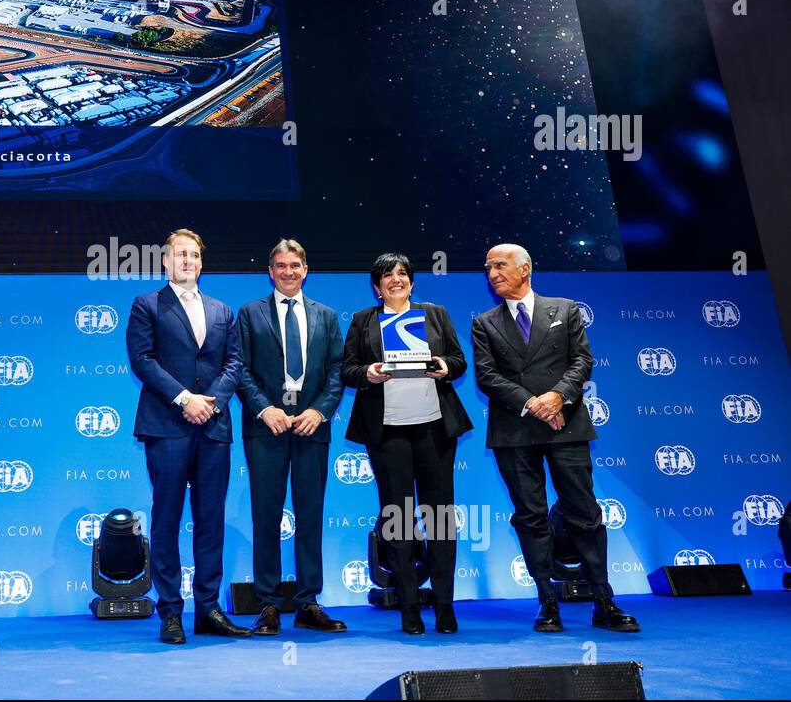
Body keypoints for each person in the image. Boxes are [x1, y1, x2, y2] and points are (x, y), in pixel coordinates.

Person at [471, 243, 639, 633]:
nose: (492, 273)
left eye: (499, 265)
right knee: (530, 517)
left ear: (525, 268)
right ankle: (547, 603)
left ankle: (604, 600)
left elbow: (582, 360)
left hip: (567, 425)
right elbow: (487, 375)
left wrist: (558, 396)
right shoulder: (484, 322)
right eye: (488, 267)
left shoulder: (564, 309)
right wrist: (533, 403)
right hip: (514, 430)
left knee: (583, 513)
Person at [125, 229, 249, 644]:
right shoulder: (147, 305)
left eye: (195, 255)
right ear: (165, 261)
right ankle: (171, 612)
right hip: (167, 425)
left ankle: (209, 609)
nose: (188, 261)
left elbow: (234, 362)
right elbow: (142, 361)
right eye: (181, 255)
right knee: (166, 518)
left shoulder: (221, 310)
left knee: (211, 519)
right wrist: (184, 399)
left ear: (202, 261)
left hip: (213, 426)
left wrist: (209, 401)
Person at [341, 253, 473, 634]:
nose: (395, 280)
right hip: (388, 432)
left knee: (440, 518)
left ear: (412, 282)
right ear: (376, 285)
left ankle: (445, 606)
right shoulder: (363, 321)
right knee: (397, 521)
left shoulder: (435, 314)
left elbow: (458, 360)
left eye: (402, 274)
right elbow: (348, 369)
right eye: (387, 275)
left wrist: (445, 366)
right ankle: (409, 606)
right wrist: (369, 372)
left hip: (434, 428)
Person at [235, 239, 347, 636]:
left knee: (311, 515)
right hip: (266, 427)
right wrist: (266, 409)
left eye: (294, 265)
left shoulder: (328, 316)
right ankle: (267, 602)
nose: (288, 272)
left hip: (312, 426)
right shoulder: (249, 314)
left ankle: (307, 602)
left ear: (305, 269)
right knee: (266, 515)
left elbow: (338, 370)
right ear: (270, 271)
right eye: (280, 265)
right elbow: (241, 370)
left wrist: (319, 411)